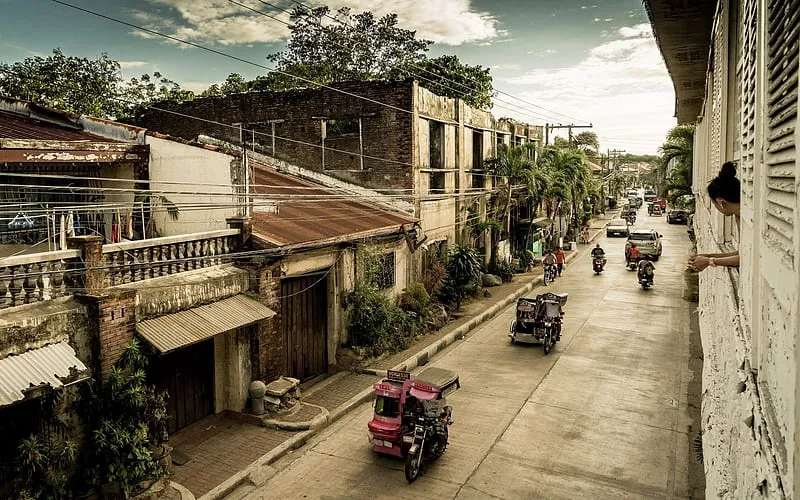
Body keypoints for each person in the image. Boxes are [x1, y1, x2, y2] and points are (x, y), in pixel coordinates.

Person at [689, 162, 741, 272]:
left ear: (721, 202)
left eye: (714, 204)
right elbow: (742, 253)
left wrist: (709, 261)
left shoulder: (749, 220)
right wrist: (707, 257)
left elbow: (745, 259)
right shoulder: (739, 215)